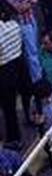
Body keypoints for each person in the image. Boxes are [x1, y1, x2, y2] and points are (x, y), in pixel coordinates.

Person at [1, 0, 42, 86]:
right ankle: (38, 84)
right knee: (31, 55)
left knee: (35, 50)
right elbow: (19, 6)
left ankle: (38, 78)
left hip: (30, 18)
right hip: (20, 23)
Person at [0, 14, 22, 148]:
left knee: (8, 109)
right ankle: (14, 137)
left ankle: (13, 139)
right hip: (15, 70)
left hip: (3, 73)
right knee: (10, 109)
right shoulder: (14, 27)